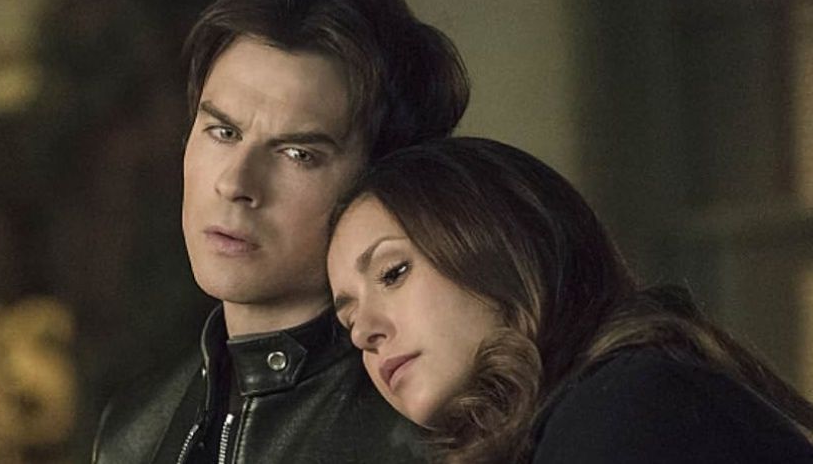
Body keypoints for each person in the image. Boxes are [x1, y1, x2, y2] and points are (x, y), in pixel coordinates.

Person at [92, 0, 469, 463]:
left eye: (298, 154)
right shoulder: (133, 430)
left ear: (381, 184)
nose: (235, 184)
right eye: (224, 132)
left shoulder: (434, 426)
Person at [327, 136, 813, 464]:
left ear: (504, 246)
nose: (364, 332)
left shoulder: (625, 406)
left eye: (393, 273)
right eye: (348, 322)